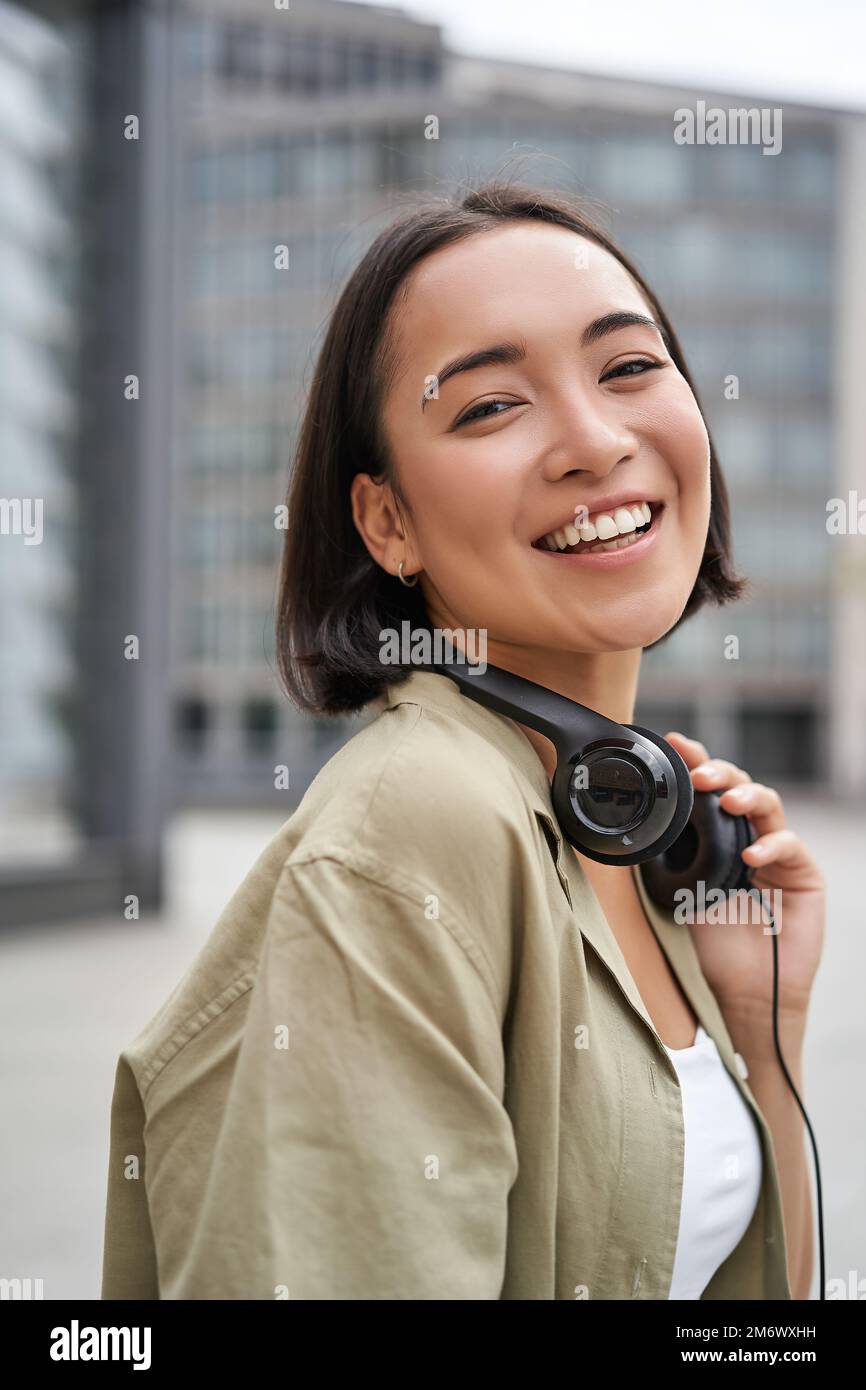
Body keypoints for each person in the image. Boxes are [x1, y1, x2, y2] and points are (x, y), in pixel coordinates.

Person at [100, 177, 825, 1301]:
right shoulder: (414, 829)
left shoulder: (634, 836)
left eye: (628, 367)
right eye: (490, 405)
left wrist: (761, 1042)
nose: (593, 441)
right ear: (386, 522)